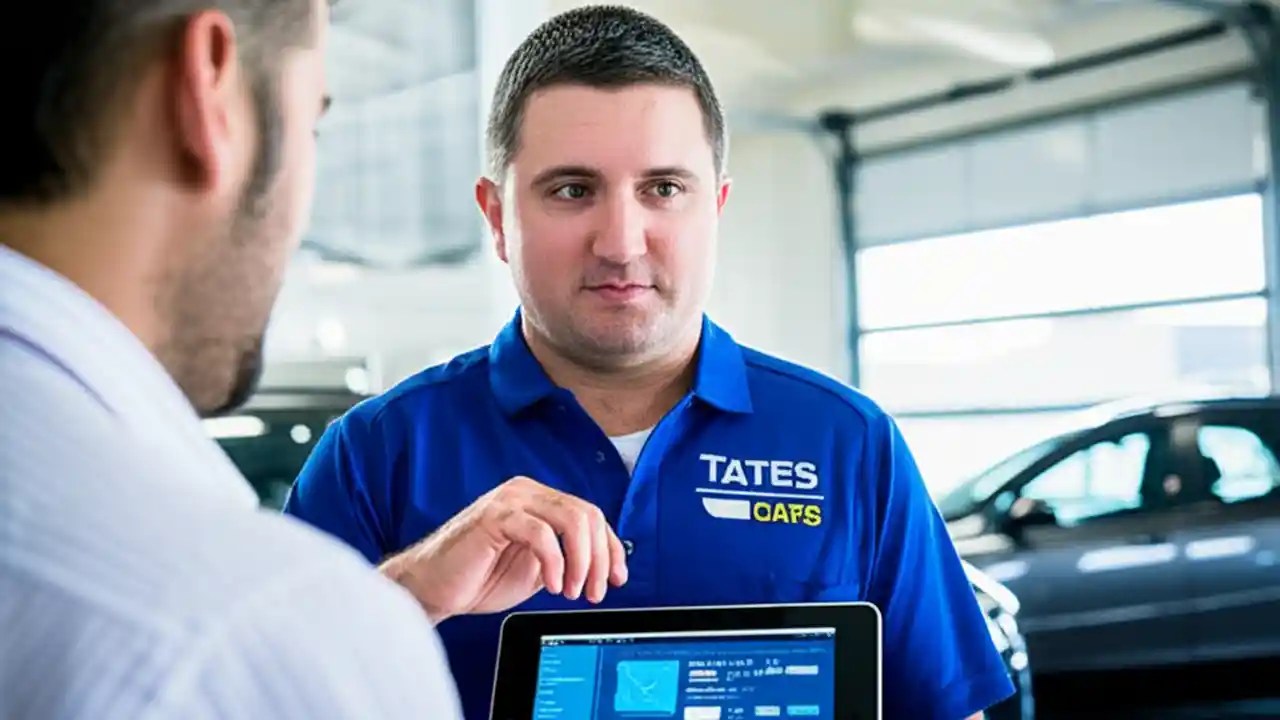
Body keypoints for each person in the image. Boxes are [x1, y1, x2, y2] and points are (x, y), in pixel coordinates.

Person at [283, 5, 1016, 720]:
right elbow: (257, 692)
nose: (622, 242)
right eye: (572, 190)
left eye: (663, 189)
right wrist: (415, 591)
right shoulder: (375, 455)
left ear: (715, 208)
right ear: (498, 217)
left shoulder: (849, 443)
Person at [1, 2, 612, 718]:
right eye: (311, 124)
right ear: (210, 89)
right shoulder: (247, 637)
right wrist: (351, 625)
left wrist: (392, 600)